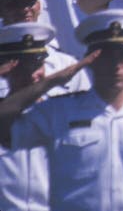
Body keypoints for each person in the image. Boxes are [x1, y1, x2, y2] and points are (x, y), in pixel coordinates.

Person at [0, 9, 123, 211]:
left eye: (122, 56)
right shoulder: (59, 112)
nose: (116, 66)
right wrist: (51, 81)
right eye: (106, 57)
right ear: (90, 60)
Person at [0, 22, 82, 211]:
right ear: (7, 70)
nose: (32, 76)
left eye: (37, 64)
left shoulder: (65, 115)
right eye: (22, 68)